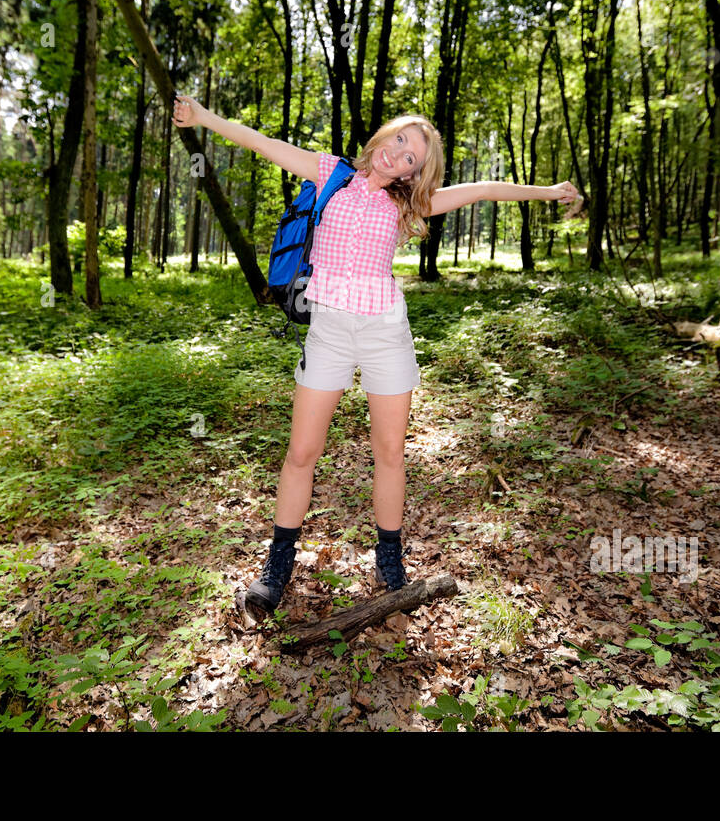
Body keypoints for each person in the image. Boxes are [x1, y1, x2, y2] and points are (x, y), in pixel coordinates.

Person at [171, 92, 582, 623]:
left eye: (412, 159)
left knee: (389, 452)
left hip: (386, 332)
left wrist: (548, 191)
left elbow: (484, 190)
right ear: (385, 135)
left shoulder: (408, 204)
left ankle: (390, 565)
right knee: (301, 452)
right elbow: (263, 144)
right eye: (401, 141)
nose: (400, 155)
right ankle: (277, 567)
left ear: (414, 175)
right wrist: (204, 118)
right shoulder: (329, 173)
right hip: (329, 333)